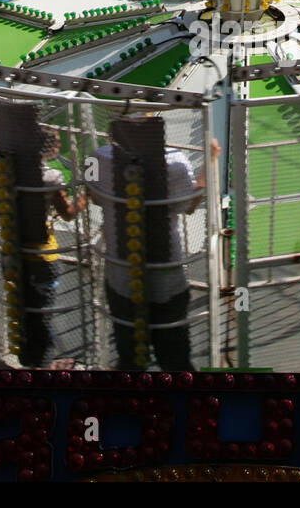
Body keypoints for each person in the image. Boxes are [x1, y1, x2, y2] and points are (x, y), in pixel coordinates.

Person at [88, 123, 219, 371]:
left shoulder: (97, 157)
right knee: (175, 356)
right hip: (168, 277)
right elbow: (189, 205)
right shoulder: (175, 163)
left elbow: (93, 193)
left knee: (129, 354)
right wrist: (210, 161)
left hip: (120, 274)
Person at [19, 126, 85, 367]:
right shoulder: (50, 177)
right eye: (56, 143)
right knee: (42, 313)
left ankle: (30, 358)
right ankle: (45, 366)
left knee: (27, 308)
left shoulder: (14, 170)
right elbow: (67, 213)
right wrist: (85, 194)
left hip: (17, 251)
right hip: (43, 256)